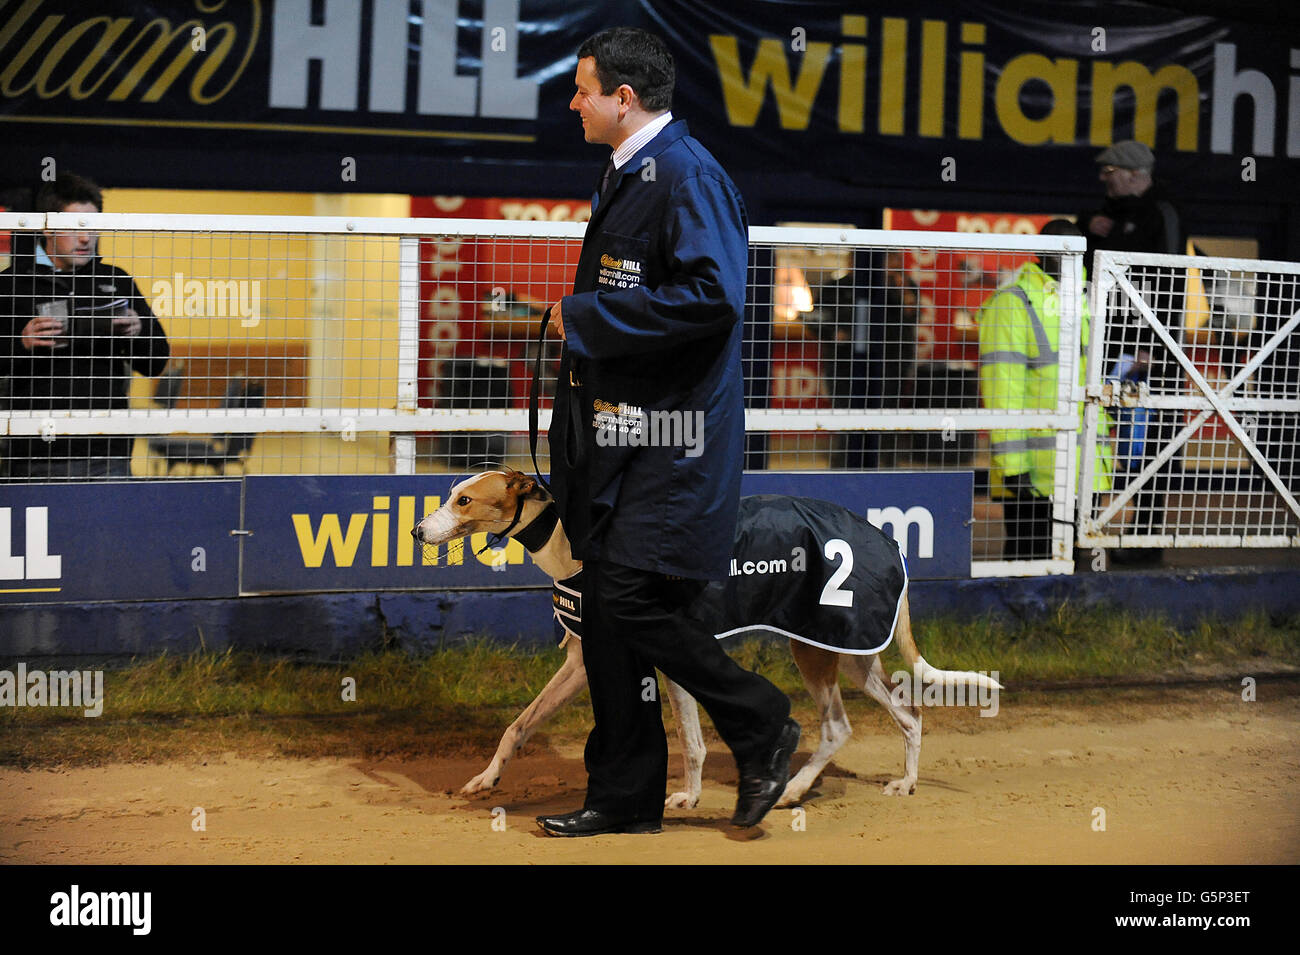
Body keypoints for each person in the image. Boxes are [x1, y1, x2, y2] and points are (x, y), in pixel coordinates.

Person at [539, 27, 798, 837]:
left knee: (623, 596)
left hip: (676, 439)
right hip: (622, 435)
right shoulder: (630, 172)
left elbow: (713, 300)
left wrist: (583, 318)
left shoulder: (688, 176)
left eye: (583, 89)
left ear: (626, 98)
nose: (572, 101)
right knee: (611, 609)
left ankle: (761, 721)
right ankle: (623, 797)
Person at [1, 173, 169, 479]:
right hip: (33, 457)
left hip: (107, 455)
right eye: (76, 227)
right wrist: (19, 343)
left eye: (92, 227)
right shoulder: (12, 284)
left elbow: (156, 361)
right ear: (48, 228)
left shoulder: (117, 280)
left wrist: (138, 332)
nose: (85, 237)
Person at [978, 220, 1114, 559]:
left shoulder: (1088, 298)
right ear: (1041, 254)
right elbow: (1002, 391)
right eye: (1061, 253)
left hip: (1086, 470)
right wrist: (1013, 467)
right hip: (1034, 475)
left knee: (1081, 563)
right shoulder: (1013, 303)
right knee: (1031, 564)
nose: (1072, 260)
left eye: (1077, 252)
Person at [1080, 140, 1184, 564]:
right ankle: (1086, 532)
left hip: (1148, 355)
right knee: (1100, 441)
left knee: (1149, 449)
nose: (1104, 178)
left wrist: (1156, 347)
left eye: (1111, 170)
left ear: (1136, 174)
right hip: (1106, 349)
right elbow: (1084, 273)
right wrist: (1089, 231)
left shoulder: (1162, 213)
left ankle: (1144, 541)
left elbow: (1173, 279)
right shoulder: (1101, 214)